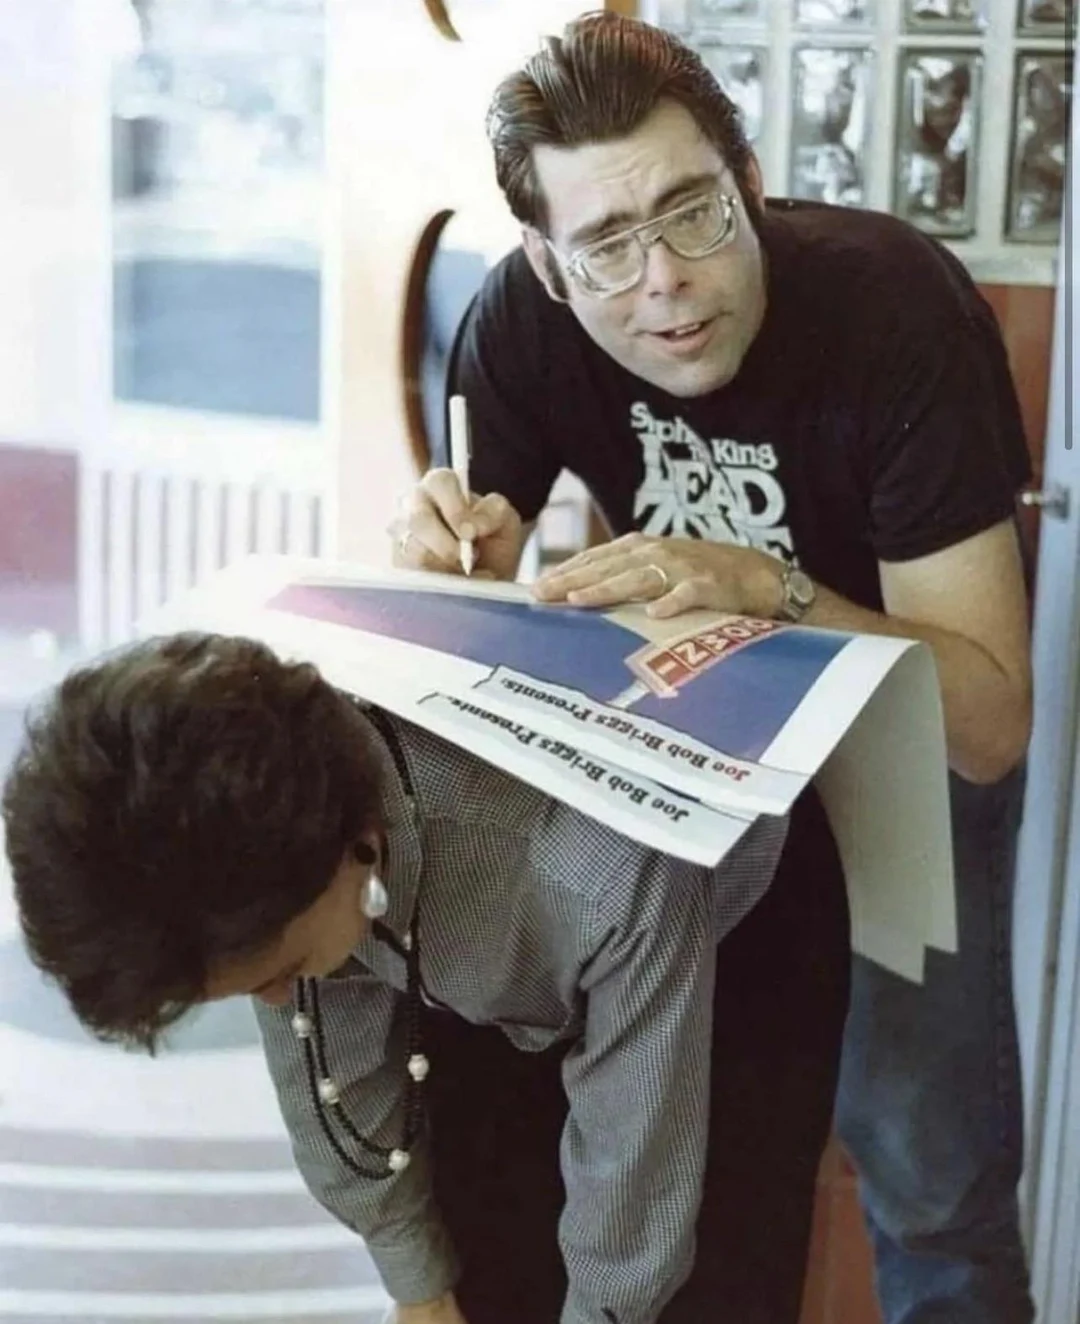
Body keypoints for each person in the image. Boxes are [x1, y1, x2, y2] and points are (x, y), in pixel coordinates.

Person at [393, 13, 1035, 1324]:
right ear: (548, 265)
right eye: (608, 249)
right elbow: (472, 577)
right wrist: (452, 561)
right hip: (696, 757)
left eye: (694, 215)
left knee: (926, 1164)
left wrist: (770, 589)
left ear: (751, 186)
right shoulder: (521, 319)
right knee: (688, 1149)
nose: (666, 283)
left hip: (896, 749)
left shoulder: (892, 308)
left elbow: (986, 723)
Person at [2, 630, 848, 1324]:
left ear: (350, 852)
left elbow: (636, 1185)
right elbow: (329, 1077)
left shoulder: (595, 874)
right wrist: (419, 1288)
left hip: (725, 923)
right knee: (483, 1264)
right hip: (455, 921)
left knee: (706, 1286)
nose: (268, 1001)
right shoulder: (245, 841)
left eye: (278, 973)